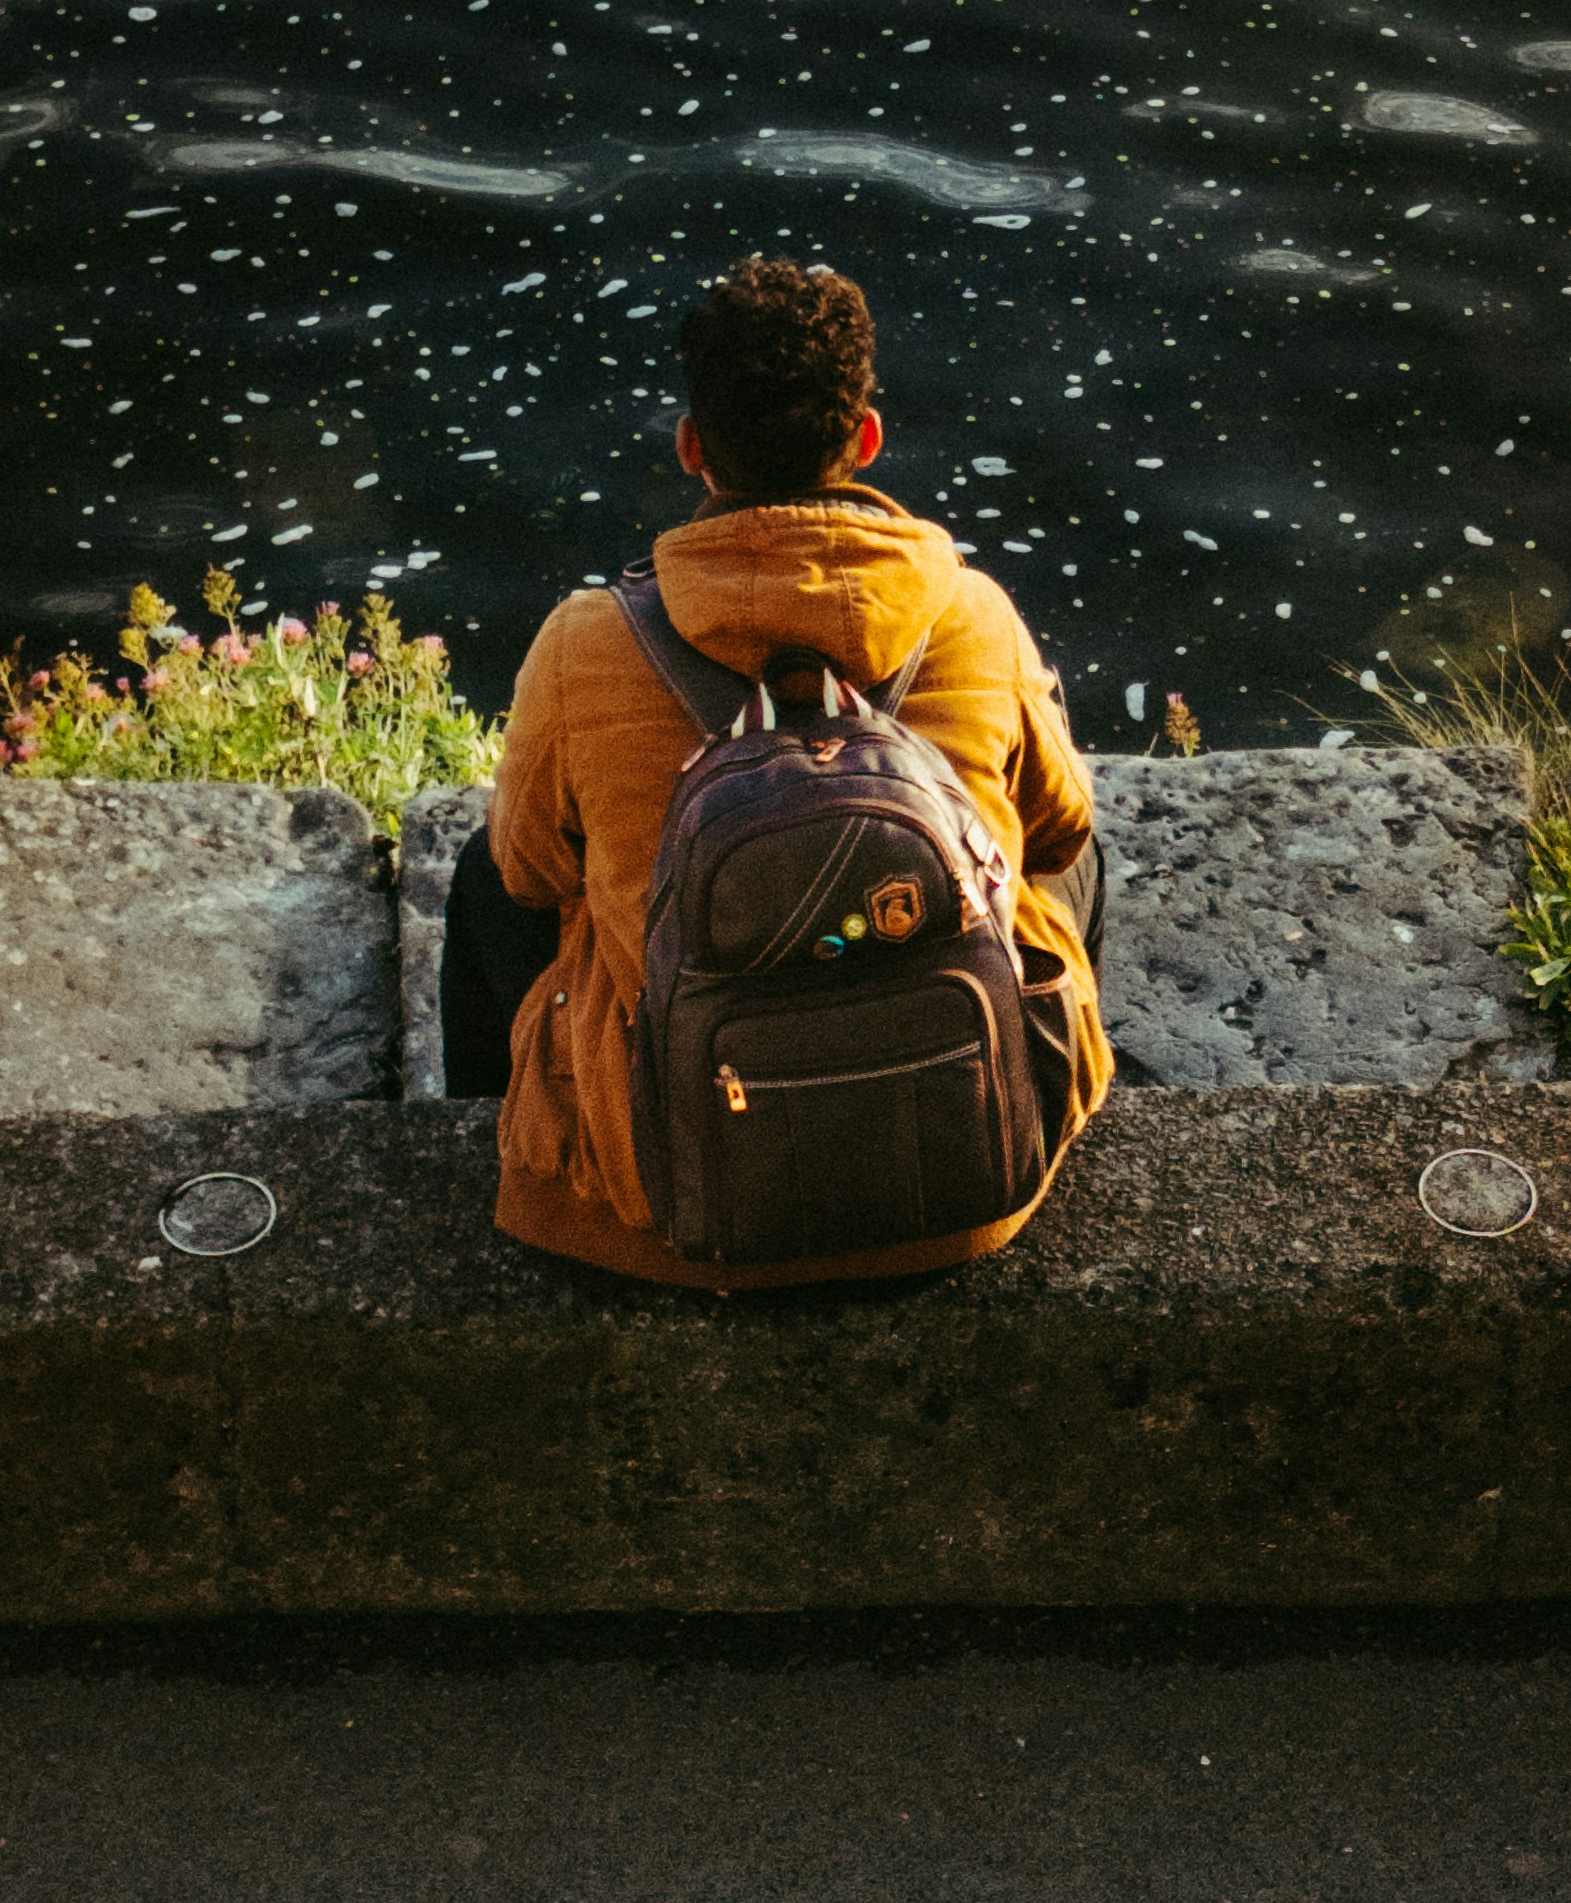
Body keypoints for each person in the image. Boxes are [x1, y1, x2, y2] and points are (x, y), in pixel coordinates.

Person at [446, 250, 1112, 1286]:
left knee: (482, 878)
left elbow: (531, 873)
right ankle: (1018, 1091)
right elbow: (1063, 831)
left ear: (690, 445)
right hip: (966, 1198)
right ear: (866, 437)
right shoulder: (969, 613)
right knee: (1057, 859)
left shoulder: (582, 644)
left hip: (670, 1188)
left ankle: (494, 1136)